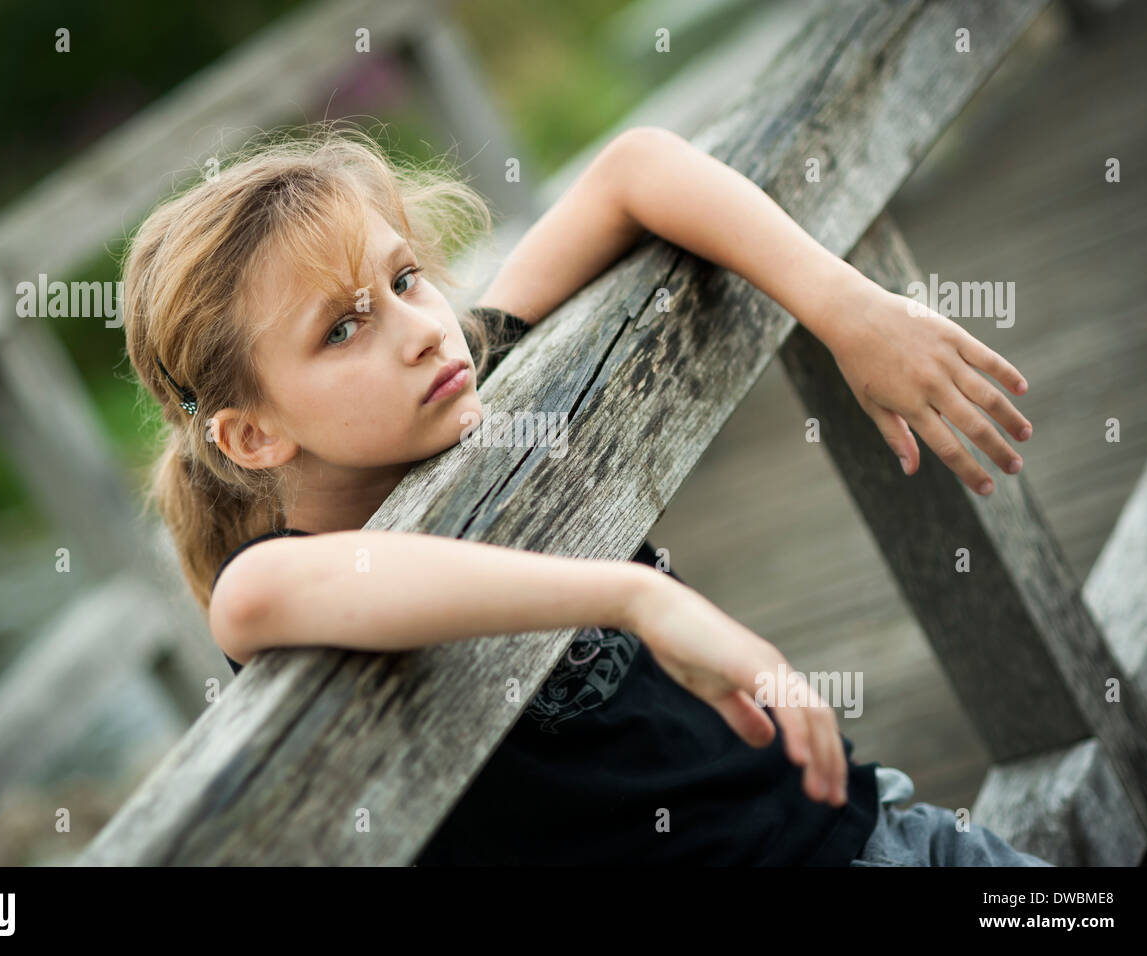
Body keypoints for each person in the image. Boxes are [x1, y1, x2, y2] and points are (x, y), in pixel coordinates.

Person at [121, 122, 1048, 865]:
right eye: (341, 330)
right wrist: (631, 595)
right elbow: (251, 598)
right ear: (251, 435)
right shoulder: (278, 577)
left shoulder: (465, 371)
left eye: (405, 279)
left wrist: (849, 312)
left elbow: (633, 169)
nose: (419, 331)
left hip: (871, 831)